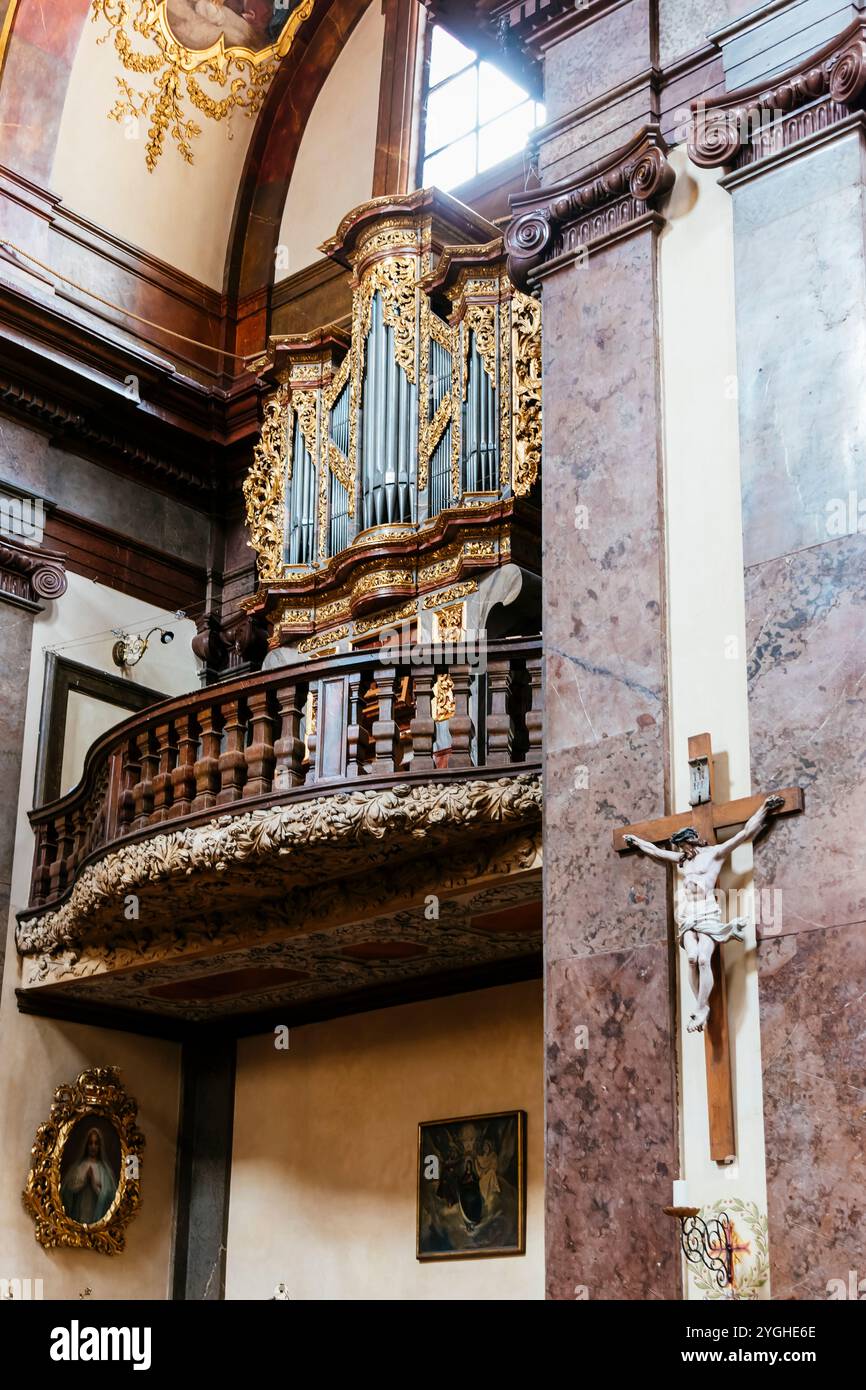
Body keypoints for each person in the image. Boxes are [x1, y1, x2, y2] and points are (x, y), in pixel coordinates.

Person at [625, 796, 784, 1033]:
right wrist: (637, 841)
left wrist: (764, 808)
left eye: (684, 846)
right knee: (691, 959)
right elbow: (657, 852)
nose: (682, 851)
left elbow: (745, 833)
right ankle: (700, 1006)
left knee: (702, 958)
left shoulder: (715, 854)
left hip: (708, 912)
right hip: (688, 915)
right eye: (680, 848)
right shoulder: (683, 859)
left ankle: (702, 1008)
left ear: (692, 842)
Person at [60, 1127, 117, 1225]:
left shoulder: (104, 1171)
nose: (93, 1147)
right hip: (79, 1215)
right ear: (87, 1146)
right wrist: (83, 1182)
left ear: (100, 1146)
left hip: (97, 1219)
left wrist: (94, 1184)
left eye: (96, 1143)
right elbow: (67, 1192)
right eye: (90, 1143)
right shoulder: (79, 1167)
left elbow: (109, 1199)